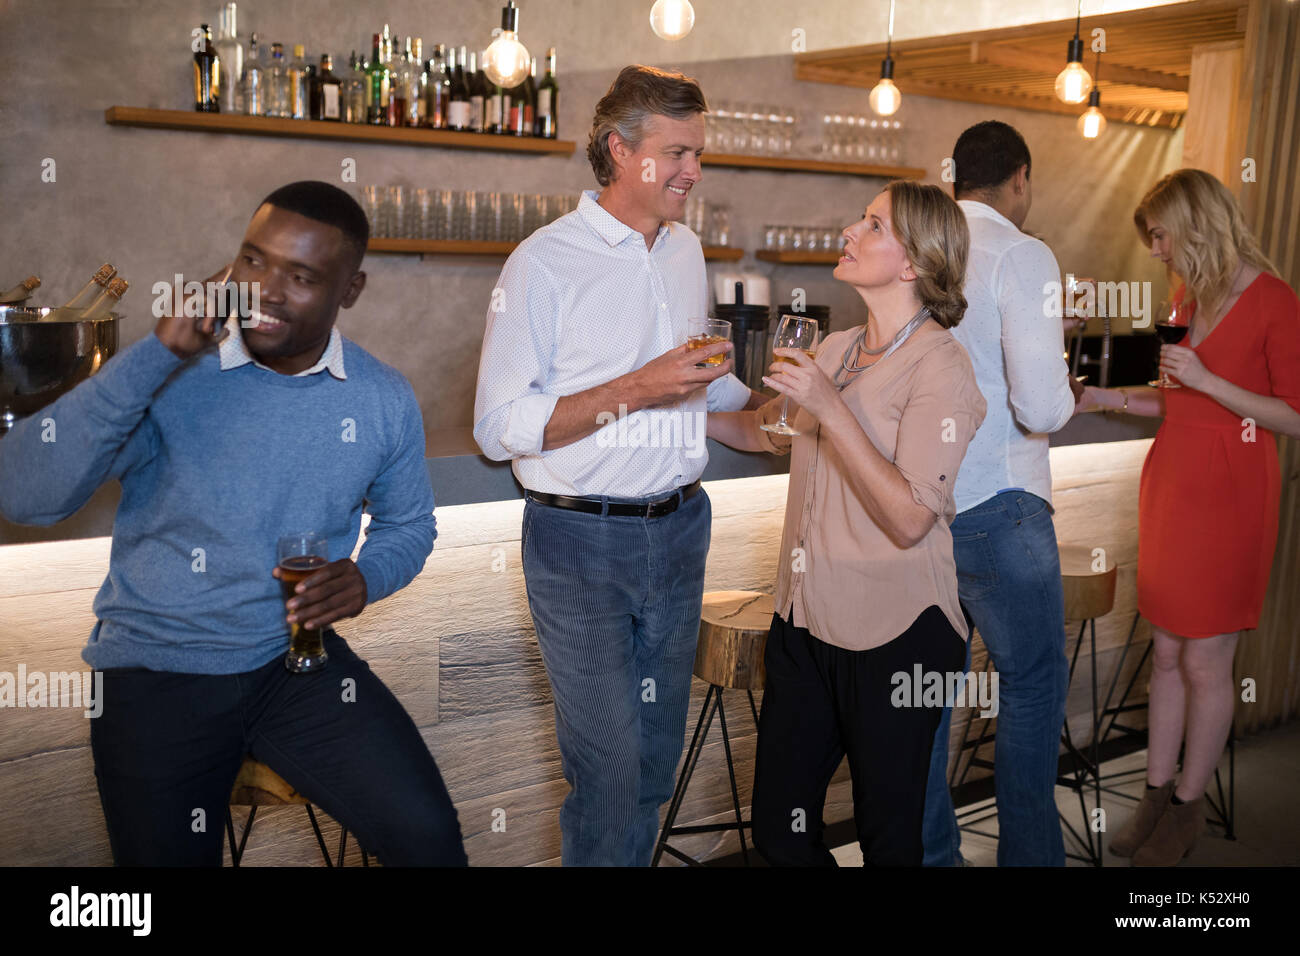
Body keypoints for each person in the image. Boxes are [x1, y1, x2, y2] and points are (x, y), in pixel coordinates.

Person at [0, 181, 467, 867]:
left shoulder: (381, 397)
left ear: (351, 289)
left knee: (426, 840)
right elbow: (23, 491)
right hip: (157, 670)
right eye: (253, 261)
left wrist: (366, 577)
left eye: (301, 276)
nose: (266, 291)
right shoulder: (175, 376)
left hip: (296, 666)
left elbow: (409, 525)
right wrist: (156, 355)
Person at [472, 65, 763, 867]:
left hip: (680, 531)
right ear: (619, 149)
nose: (693, 172)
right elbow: (499, 429)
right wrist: (640, 387)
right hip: (580, 548)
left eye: (698, 153)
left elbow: (697, 378)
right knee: (605, 770)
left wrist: (765, 412)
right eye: (676, 153)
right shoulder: (543, 263)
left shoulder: (685, 250)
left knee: (650, 768)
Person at [708, 179, 987, 865]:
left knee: (889, 839)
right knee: (781, 829)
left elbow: (911, 518)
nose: (849, 233)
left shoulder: (943, 369)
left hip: (898, 633)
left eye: (872, 226)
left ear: (914, 263)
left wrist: (832, 409)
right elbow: (764, 430)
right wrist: (661, 406)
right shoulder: (835, 348)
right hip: (804, 619)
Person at [1076, 168, 1300, 865]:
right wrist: (1102, 400)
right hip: (1173, 481)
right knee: (1166, 653)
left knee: (1206, 660)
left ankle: (1187, 808)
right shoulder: (1186, 298)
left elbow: (1292, 414)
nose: (1158, 250)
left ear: (1197, 225)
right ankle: (1155, 791)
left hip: (1233, 489)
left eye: (1162, 235)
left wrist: (1210, 381)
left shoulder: (1275, 301)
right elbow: (1178, 401)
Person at [919, 121, 1084, 867]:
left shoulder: (919, 244)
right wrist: (1058, 361)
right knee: (1030, 689)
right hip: (1004, 508)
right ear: (1018, 178)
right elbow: (1041, 409)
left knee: (926, 698)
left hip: (924, 507)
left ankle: (931, 855)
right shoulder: (1024, 253)